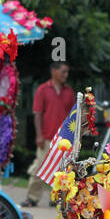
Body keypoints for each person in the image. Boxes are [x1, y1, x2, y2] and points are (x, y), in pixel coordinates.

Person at [25, 60, 75, 207]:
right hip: (47, 137)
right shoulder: (43, 90)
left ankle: (58, 198)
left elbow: (73, 116)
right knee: (39, 168)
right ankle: (32, 198)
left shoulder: (69, 92)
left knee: (63, 171)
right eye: (63, 71)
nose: (66, 75)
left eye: (67, 72)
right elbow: (38, 114)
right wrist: (39, 135)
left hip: (65, 139)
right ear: (54, 71)